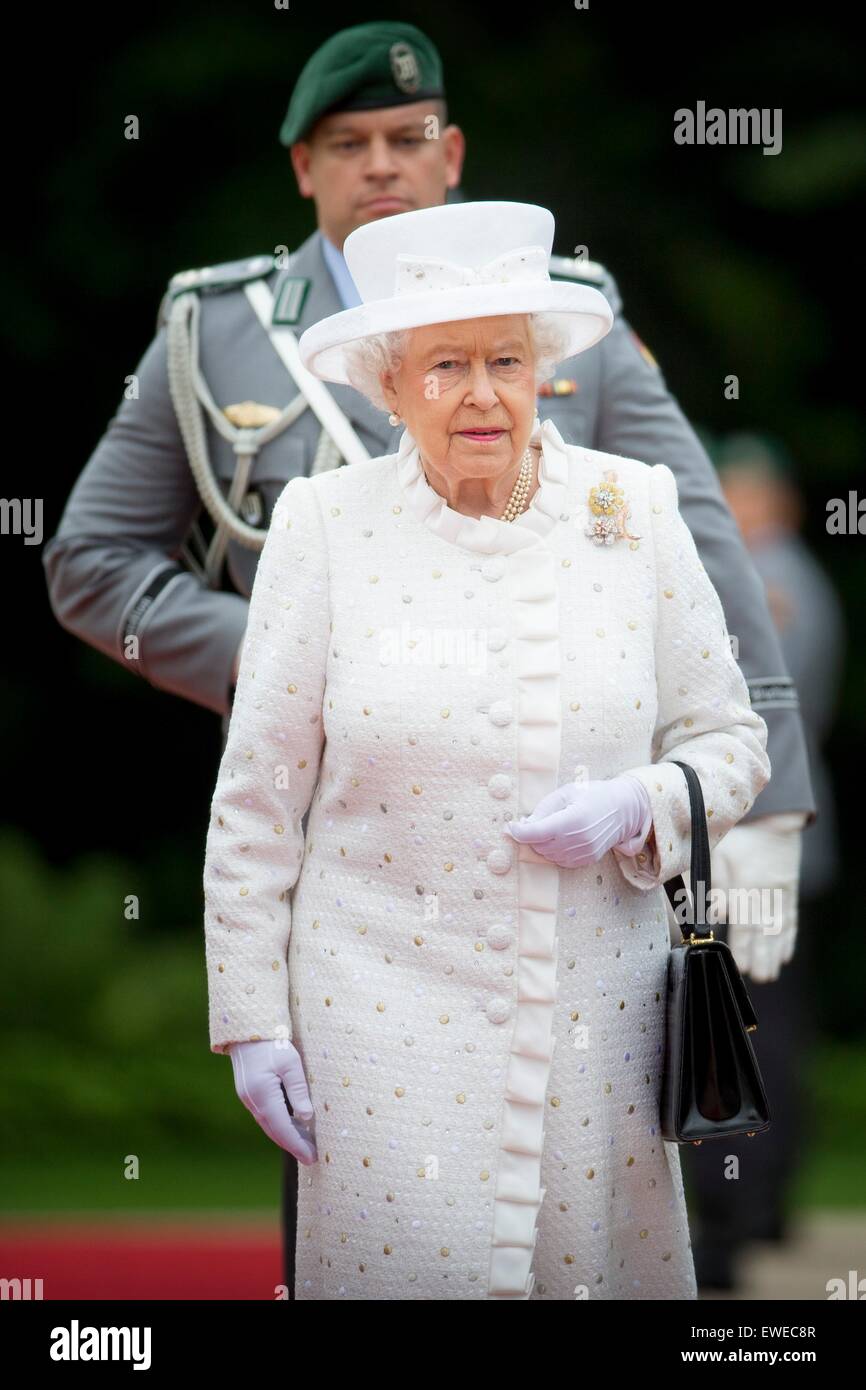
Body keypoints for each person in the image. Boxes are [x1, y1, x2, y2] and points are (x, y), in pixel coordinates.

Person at [41, 19, 812, 1295]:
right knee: (375, 1230)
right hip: (353, 855)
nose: (382, 166)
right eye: (350, 144)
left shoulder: (580, 320)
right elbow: (92, 567)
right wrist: (321, 666)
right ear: (302, 166)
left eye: (408, 139)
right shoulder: (213, 324)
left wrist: (759, 794)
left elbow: (702, 553)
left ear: (451, 154)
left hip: (587, 901)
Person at [202, 199, 772, 1300]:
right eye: (445, 364)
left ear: (539, 370)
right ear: (387, 383)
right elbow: (258, 802)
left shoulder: (632, 508)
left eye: (504, 359)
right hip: (375, 1020)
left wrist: (640, 802)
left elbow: (728, 739)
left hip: (592, 1018)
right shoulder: (323, 526)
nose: (479, 393)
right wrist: (251, 1021)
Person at [685, 433, 845, 1291]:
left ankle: (731, 1222)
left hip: (755, 843)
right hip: (783, 840)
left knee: (737, 1033)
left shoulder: (767, 588)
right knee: (770, 1028)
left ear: (770, 503)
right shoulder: (798, 581)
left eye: (732, 494)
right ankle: (764, 1204)